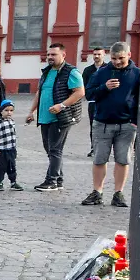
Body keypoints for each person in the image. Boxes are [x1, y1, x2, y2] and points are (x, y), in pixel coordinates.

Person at [84, 41, 140, 208]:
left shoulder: (137, 74)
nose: (117, 62)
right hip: (102, 122)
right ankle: (97, 192)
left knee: (123, 159)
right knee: (100, 158)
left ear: (129, 55)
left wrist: (136, 121)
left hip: (127, 124)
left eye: (121, 58)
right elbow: (89, 94)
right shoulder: (102, 73)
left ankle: (118, 193)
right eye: (114, 58)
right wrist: (104, 87)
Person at [32, 43, 85, 193]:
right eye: (48, 54)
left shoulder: (71, 72)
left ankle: (52, 181)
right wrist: (31, 111)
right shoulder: (47, 72)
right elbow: (39, 92)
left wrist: (61, 105)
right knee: (49, 149)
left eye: (53, 54)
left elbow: (80, 92)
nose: (50, 57)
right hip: (45, 117)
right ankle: (59, 179)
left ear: (63, 55)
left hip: (61, 117)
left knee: (55, 149)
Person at [82, 46, 108, 158]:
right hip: (92, 102)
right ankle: (94, 148)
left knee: (107, 125)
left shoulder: (108, 69)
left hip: (106, 101)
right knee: (94, 125)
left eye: (99, 54)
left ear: (103, 55)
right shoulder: (88, 70)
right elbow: (84, 86)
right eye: (95, 54)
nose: (96, 56)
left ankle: (106, 148)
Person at [0, 100, 21, 191]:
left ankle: (13, 182)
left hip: (11, 149)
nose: (9, 112)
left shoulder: (12, 122)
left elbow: (13, 135)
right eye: (6, 110)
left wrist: (14, 148)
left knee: (12, 166)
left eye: (11, 110)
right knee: (1, 167)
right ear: (1, 111)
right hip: (2, 150)